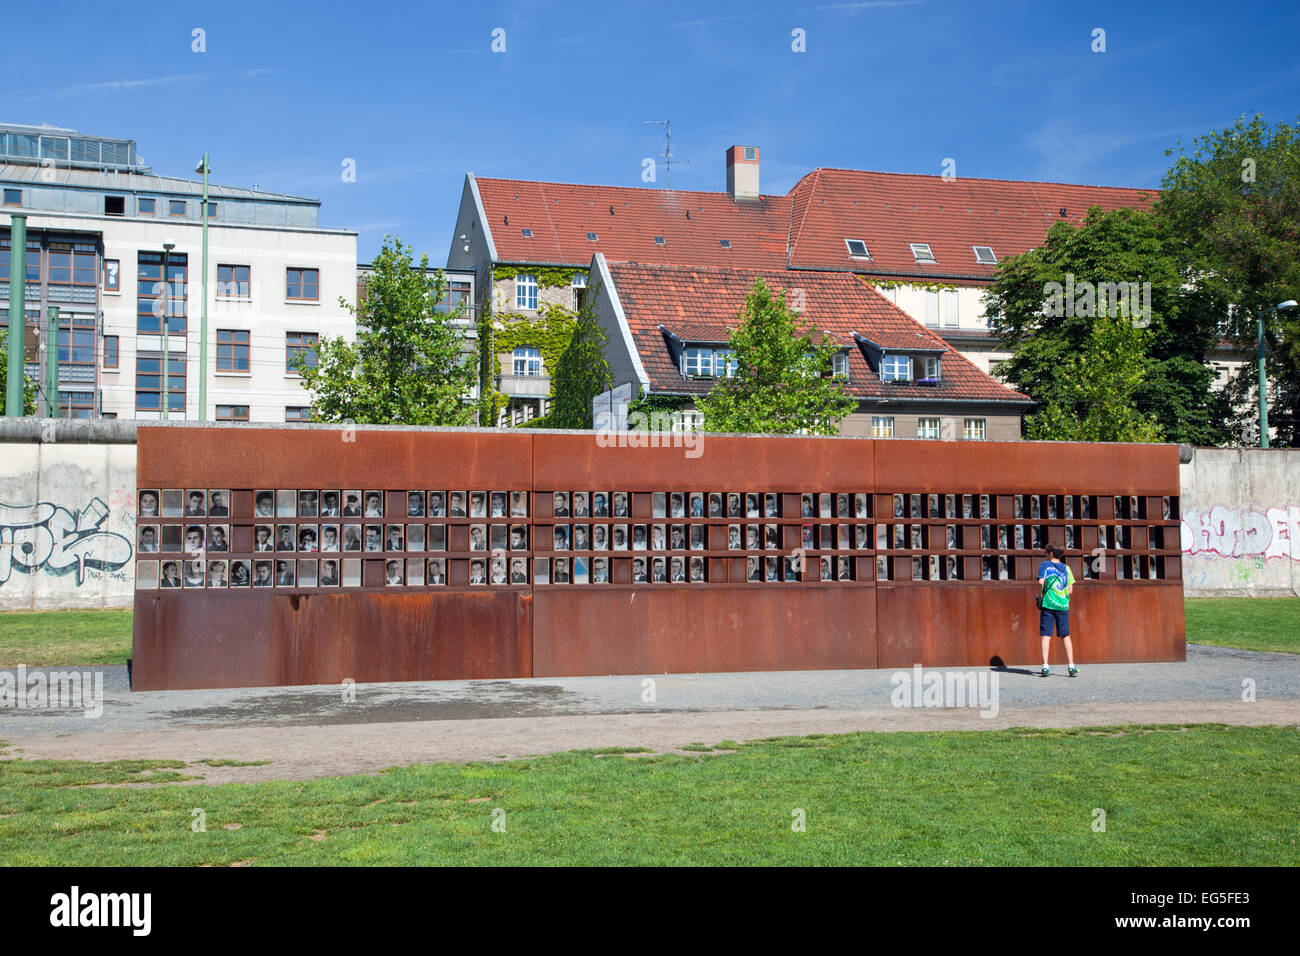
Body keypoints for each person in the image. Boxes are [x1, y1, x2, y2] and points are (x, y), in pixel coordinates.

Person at [1037, 545, 1078, 677]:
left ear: (1051, 553)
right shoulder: (1067, 568)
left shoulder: (1045, 565)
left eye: (1046, 552)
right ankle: (1071, 666)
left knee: (1046, 635)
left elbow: (1040, 583)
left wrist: (1041, 596)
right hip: (1063, 606)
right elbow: (1071, 590)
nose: (1045, 554)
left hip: (1048, 605)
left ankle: (1045, 666)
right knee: (1065, 635)